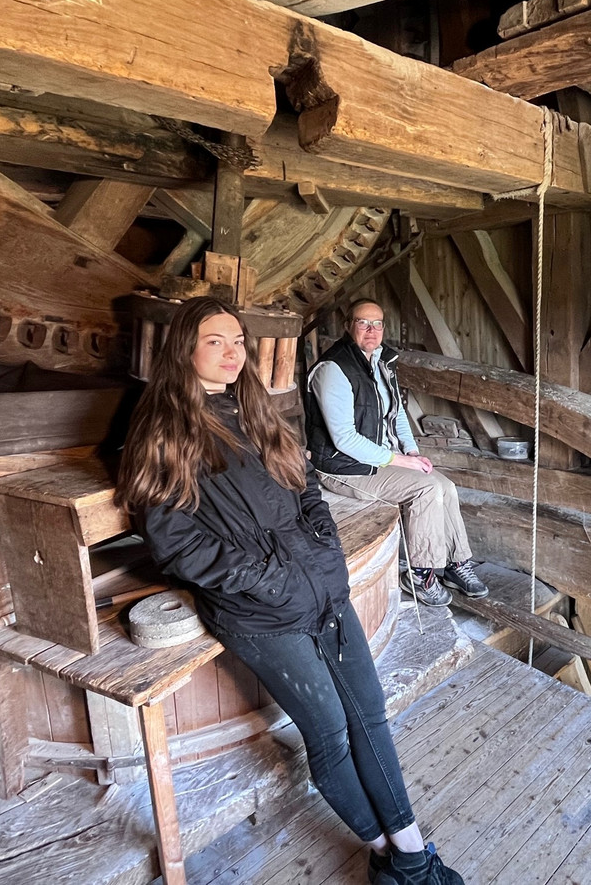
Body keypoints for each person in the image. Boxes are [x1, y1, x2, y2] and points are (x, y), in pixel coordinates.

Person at [115, 297, 463, 885]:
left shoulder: (253, 407)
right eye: (214, 341)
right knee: (328, 730)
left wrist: (324, 546)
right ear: (184, 349)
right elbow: (176, 545)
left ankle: (409, 856)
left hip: (317, 583)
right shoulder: (162, 430)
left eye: (236, 340)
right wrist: (268, 580)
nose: (231, 353)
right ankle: (385, 851)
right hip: (259, 609)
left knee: (370, 716)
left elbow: (304, 487)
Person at [306, 298, 489, 607]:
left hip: (377, 459)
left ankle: (456, 563)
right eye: (363, 322)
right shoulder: (333, 369)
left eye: (377, 323)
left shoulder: (380, 363)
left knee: (445, 485)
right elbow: (344, 439)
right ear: (347, 326)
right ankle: (420, 575)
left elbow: (398, 413)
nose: (371, 330)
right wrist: (399, 459)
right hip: (343, 468)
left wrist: (412, 450)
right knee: (426, 490)